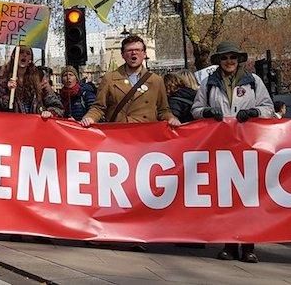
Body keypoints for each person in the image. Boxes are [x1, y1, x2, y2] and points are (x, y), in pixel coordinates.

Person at [191, 41, 274, 264]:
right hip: (220, 145)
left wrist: (254, 112)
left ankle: (248, 246)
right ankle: (228, 244)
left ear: (239, 60)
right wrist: (207, 112)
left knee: (248, 197)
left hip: (248, 145)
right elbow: (196, 109)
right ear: (219, 60)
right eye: (225, 57)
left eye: (233, 57)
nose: (229, 61)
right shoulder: (208, 83)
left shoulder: (254, 81)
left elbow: (268, 108)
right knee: (226, 196)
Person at [80, 35, 178, 127]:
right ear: (122, 55)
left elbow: (163, 110)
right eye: (129, 50)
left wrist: (171, 118)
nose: (134, 53)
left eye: (138, 50)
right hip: (120, 133)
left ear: (144, 54)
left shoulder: (156, 80)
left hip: (147, 133)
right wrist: (89, 118)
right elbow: (98, 107)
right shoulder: (109, 79)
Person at [0, 46, 63, 117]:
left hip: (35, 122)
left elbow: (57, 107)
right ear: (13, 56)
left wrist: (50, 112)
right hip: (14, 122)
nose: (24, 55)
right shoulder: (4, 80)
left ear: (30, 59)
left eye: (28, 53)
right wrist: (8, 94)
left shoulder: (40, 79)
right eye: (21, 52)